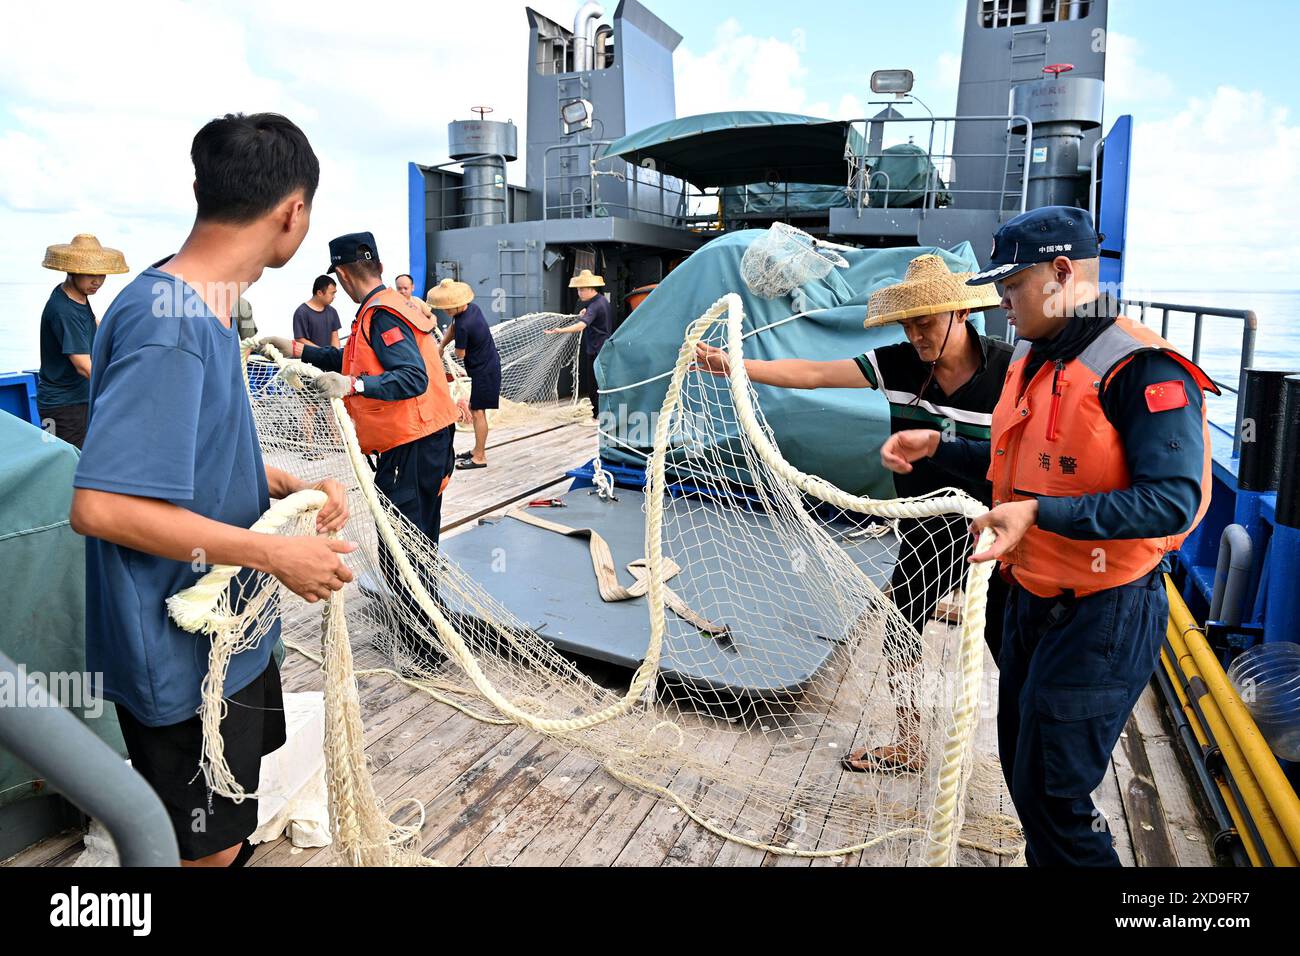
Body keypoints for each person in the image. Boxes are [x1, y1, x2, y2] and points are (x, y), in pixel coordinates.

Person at [883, 207, 1217, 866]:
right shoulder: (1035, 358)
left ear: (1061, 274)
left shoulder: (1144, 370)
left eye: (1011, 285)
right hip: (1029, 603)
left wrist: (1038, 517)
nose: (1000, 301)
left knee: (1058, 801)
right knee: (1027, 780)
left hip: (1102, 613)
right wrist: (939, 448)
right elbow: (1018, 466)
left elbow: (1174, 501)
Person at [69, 113, 353, 868]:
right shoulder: (170, 326)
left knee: (231, 824)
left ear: (201, 188)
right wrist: (274, 552)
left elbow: (177, 448)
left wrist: (270, 478)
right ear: (294, 213)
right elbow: (101, 505)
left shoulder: (201, 297)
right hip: (178, 653)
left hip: (232, 637)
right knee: (206, 852)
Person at [695, 254, 1009, 773]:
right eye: (907, 323)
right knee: (901, 623)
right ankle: (911, 740)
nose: (915, 334)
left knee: (1005, 637)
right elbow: (816, 372)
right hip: (928, 521)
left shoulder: (1011, 371)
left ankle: (1029, 751)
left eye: (924, 321)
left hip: (999, 524)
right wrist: (732, 364)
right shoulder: (902, 364)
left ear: (960, 314)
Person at [261, 233, 459, 671]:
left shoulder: (380, 314)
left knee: (400, 550)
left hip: (410, 445)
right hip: (431, 438)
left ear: (344, 274)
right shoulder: (394, 305)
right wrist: (294, 349)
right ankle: (428, 632)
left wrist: (354, 386)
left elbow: (410, 377)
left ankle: (422, 650)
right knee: (420, 543)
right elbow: (348, 359)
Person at [36, 234, 128, 449]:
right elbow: (84, 367)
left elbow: (94, 323)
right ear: (72, 271)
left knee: (87, 458)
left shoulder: (75, 295)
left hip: (80, 398)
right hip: (61, 406)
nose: (97, 281)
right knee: (64, 464)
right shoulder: (63, 310)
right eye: (89, 274)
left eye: (101, 274)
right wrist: (123, 384)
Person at [428, 278, 501, 470]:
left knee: (478, 412)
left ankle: (480, 457)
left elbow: (461, 353)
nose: (445, 310)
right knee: (474, 407)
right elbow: (453, 327)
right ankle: (477, 449)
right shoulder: (471, 309)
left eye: (447, 307)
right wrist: (442, 345)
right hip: (487, 365)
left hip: (484, 371)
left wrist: (447, 353)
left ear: (456, 305)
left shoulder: (464, 324)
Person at [544, 269, 612, 418]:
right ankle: (601, 413)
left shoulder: (595, 305)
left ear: (589, 288)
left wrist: (560, 330)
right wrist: (585, 312)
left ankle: (598, 415)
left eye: (581, 289)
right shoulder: (601, 301)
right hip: (602, 348)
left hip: (597, 350)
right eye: (578, 290)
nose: (579, 293)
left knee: (594, 384)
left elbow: (581, 326)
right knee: (600, 382)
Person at [293, 275, 341, 349]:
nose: (334, 296)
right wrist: (322, 353)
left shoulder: (332, 312)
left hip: (327, 358)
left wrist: (335, 354)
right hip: (307, 359)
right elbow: (300, 340)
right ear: (319, 293)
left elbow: (335, 337)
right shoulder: (301, 312)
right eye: (332, 293)